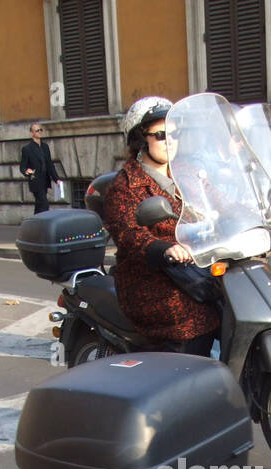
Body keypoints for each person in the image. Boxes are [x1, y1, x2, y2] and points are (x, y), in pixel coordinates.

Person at [104, 96, 219, 356]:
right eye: (161, 134)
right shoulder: (125, 186)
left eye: (174, 133)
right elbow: (128, 234)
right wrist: (164, 249)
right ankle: (184, 388)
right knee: (193, 322)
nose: (170, 140)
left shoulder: (188, 173)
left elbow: (219, 201)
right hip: (153, 281)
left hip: (197, 272)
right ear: (139, 139)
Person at [19, 121, 59, 215]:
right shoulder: (27, 149)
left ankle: (34, 223)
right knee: (44, 204)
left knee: (39, 205)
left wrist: (56, 179)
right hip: (35, 181)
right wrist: (26, 171)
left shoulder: (45, 147)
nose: (40, 132)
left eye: (41, 130)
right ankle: (44, 225)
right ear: (32, 133)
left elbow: (50, 164)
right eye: (37, 130)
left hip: (45, 180)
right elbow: (22, 166)